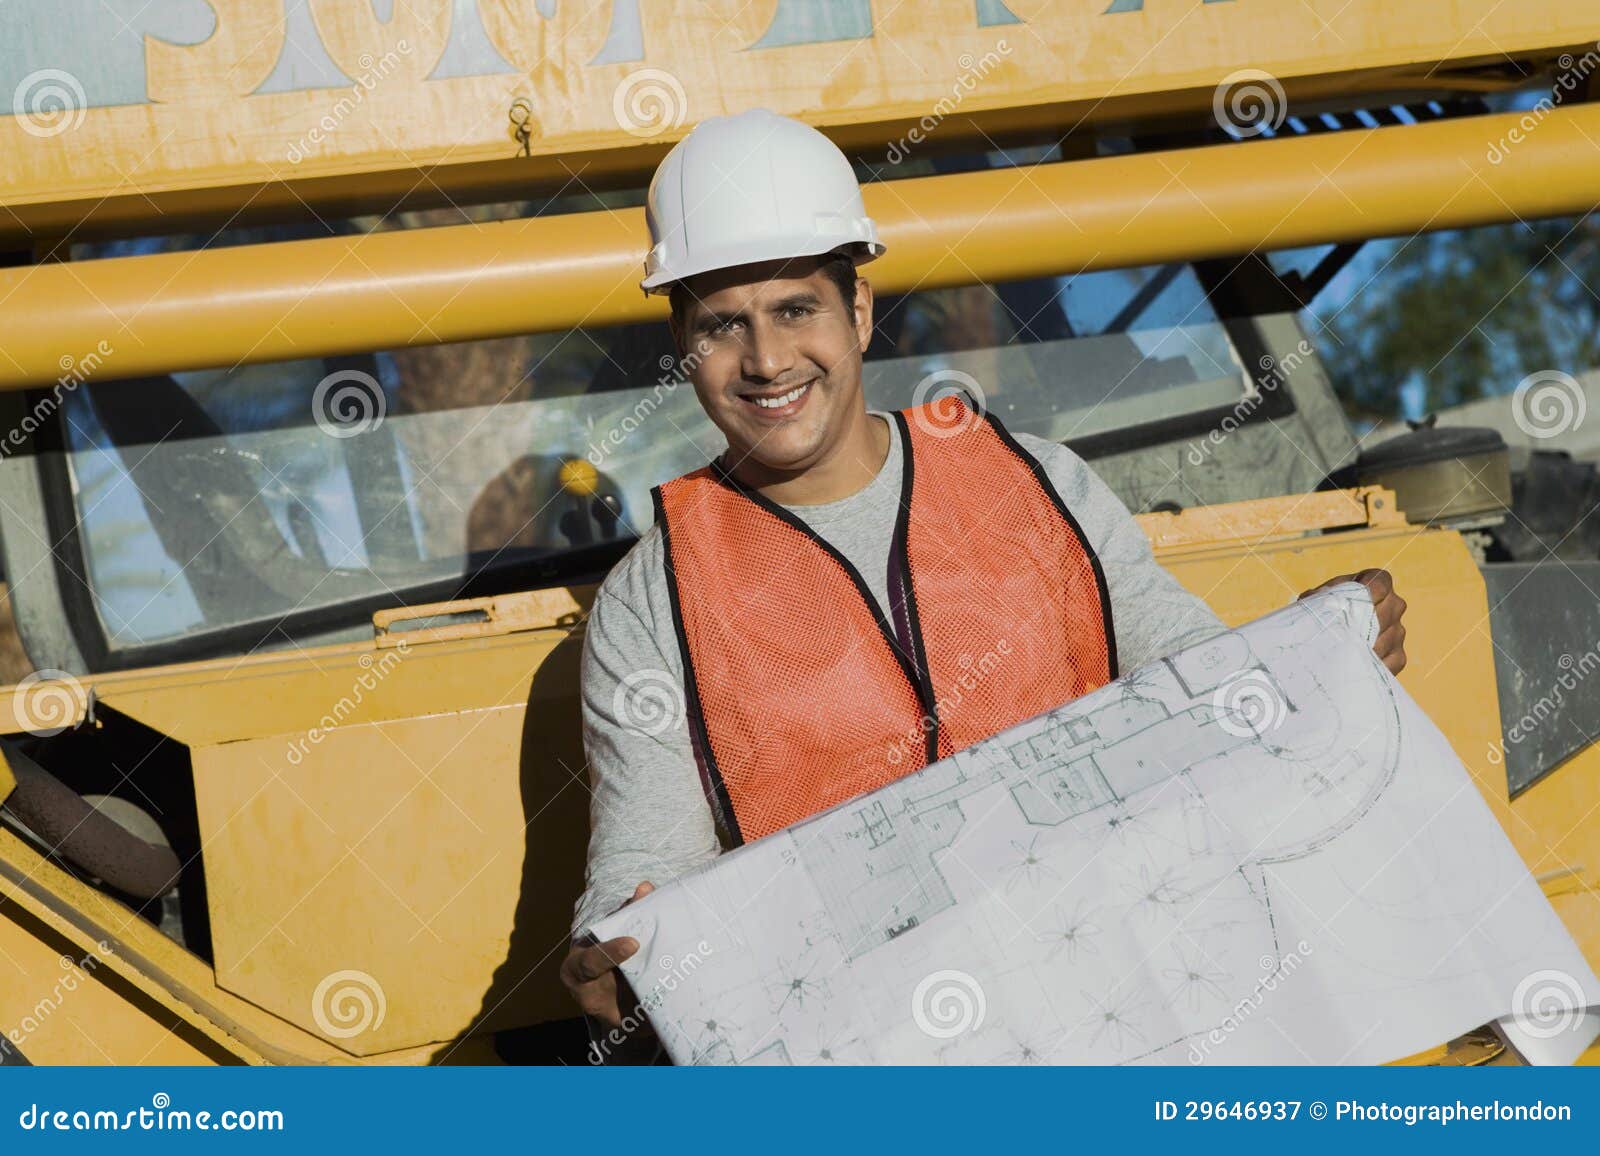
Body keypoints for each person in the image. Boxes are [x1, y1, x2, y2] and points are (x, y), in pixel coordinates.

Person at [560, 109, 1407, 1037]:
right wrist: (619, 953)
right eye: (724, 326)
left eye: (796, 309)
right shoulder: (653, 603)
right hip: (879, 1058)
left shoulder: (1035, 482)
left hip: (1133, 1003)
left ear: (860, 310)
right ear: (683, 346)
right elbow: (644, 865)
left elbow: (1193, 676)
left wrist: (1306, 652)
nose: (766, 361)